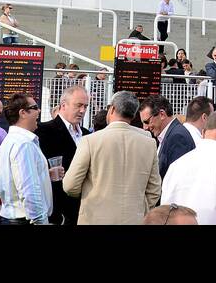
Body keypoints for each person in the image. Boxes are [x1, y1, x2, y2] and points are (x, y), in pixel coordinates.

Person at [62, 91, 161, 225]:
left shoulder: (90, 141)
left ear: (112, 109)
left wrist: (89, 195)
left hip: (94, 218)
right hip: (134, 219)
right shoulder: (149, 143)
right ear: (134, 113)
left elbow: (70, 185)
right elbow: (154, 189)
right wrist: (138, 208)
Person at [0, 94, 55, 224]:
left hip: (11, 217)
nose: (39, 111)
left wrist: (45, 174)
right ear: (22, 113)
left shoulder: (11, 140)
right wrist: (41, 221)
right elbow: (29, 190)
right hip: (23, 220)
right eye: (35, 107)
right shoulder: (23, 144)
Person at [36, 85, 89, 225]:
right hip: (57, 209)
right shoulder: (43, 131)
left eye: (86, 106)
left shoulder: (88, 135)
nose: (82, 110)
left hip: (84, 207)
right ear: (63, 105)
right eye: (78, 105)